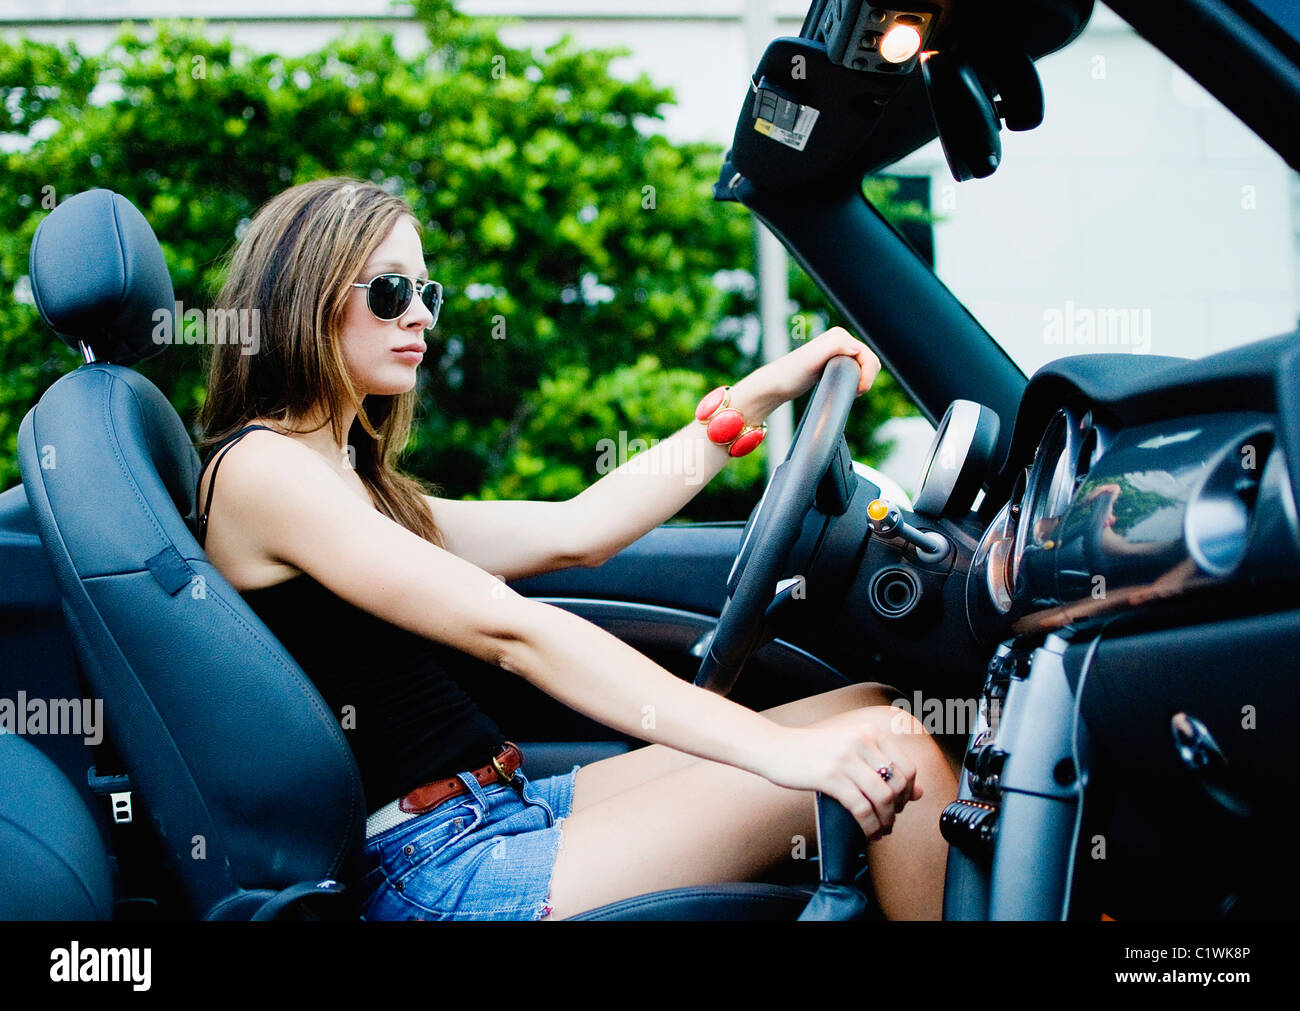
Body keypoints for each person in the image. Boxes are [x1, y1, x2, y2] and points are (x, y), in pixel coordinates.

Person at [194, 176, 959, 922]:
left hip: (499, 806)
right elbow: (511, 629)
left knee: (872, 710)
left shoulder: (351, 481)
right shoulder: (265, 470)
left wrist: (755, 396)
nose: (421, 316)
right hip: (434, 866)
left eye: (430, 294)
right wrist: (779, 752)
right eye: (392, 292)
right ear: (309, 302)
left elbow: (581, 529)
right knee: (897, 749)